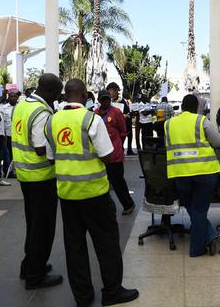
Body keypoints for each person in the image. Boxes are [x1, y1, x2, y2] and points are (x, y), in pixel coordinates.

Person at [45, 79, 139, 307]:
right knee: (106, 243)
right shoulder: (91, 119)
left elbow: (50, 157)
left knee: (74, 246)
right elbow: (107, 155)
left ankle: (83, 297)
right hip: (95, 193)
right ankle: (112, 291)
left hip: (67, 194)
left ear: (65, 95)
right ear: (86, 95)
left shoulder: (52, 122)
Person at [12, 73, 64, 290]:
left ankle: (29, 265)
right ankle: (35, 275)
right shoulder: (41, 112)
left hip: (25, 174)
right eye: (57, 94)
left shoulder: (22, 105)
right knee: (43, 228)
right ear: (50, 91)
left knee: (33, 224)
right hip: (41, 177)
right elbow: (42, 148)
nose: (57, 98)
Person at [165, 94, 220, 257]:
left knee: (193, 208)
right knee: (199, 210)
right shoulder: (201, 121)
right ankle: (198, 248)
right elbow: (218, 143)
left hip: (180, 173)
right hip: (205, 172)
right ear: (197, 106)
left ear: (182, 106)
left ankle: (210, 235)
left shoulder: (169, 124)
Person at [95, 90, 135, 215]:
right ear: (99, 101)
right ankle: (105, 208)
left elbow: (123, 132)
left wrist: (118, 145)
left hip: (114, 154)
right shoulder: (95, 114)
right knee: (102, 182)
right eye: (103, 99)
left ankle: (128, 204)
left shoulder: (116, 112)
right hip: (100, 155)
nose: (106, 101)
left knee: (118, 181)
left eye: (108, 99)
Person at [2, 91, 19, 178]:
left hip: (18, 135)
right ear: (8, 97)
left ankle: (16, 170)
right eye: (11, 96)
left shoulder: (21, 107)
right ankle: (8, 171)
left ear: (17, 97)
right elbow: (3, 122)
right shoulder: (4, 108)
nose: (13, 98)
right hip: (8, 135)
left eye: (15, 96)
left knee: (17, 154)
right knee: (8, 154)